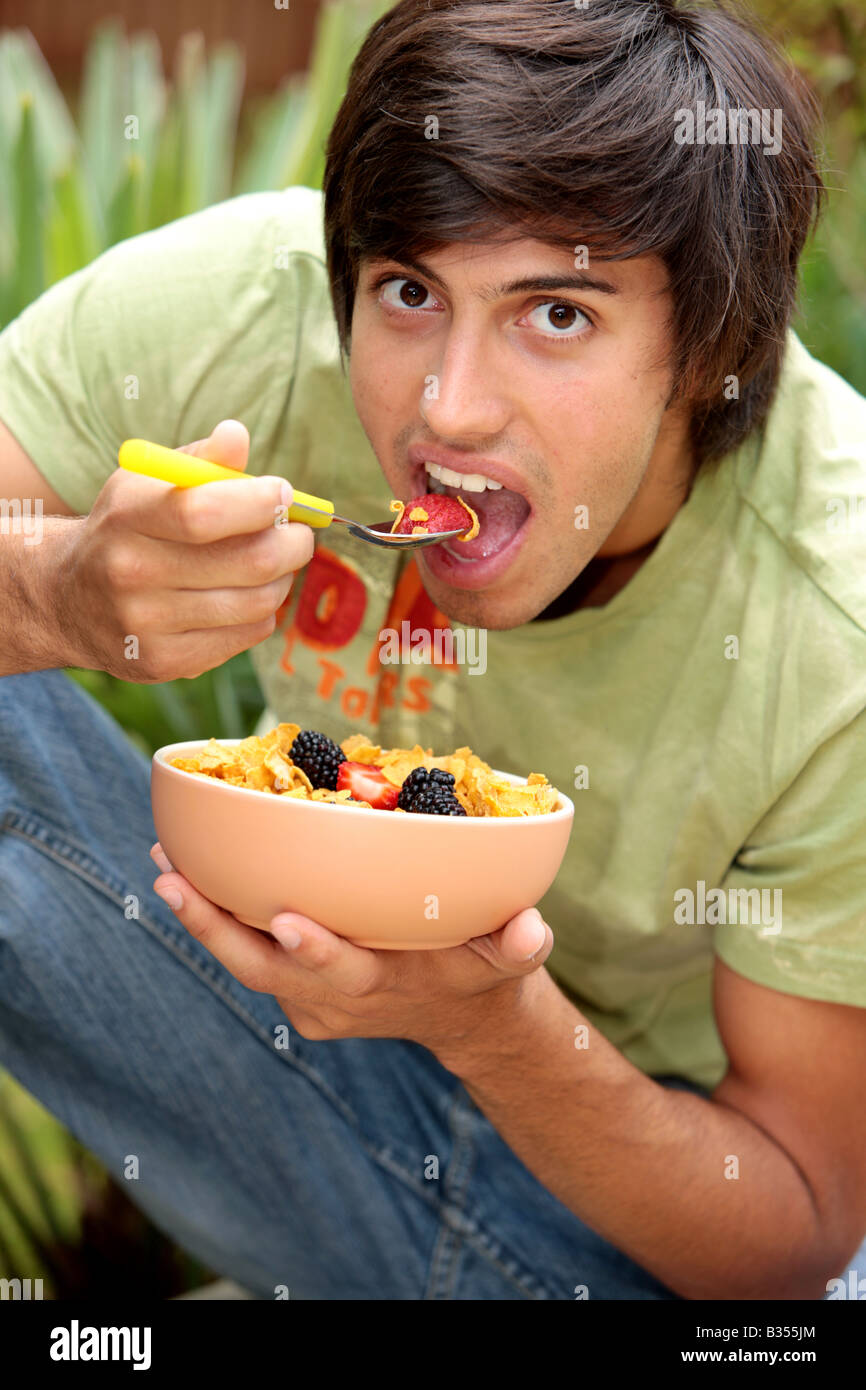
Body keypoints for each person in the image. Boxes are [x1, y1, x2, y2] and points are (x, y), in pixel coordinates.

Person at [0, 0, 864, 1301]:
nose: (445, 407)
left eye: (555, 314)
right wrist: (50, 593)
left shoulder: (836, 614)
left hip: (611, 1211)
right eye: (408, 292)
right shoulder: (242, 315)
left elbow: (791, 1232)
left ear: (706, 348)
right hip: (277, 1052)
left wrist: (490, 1026)